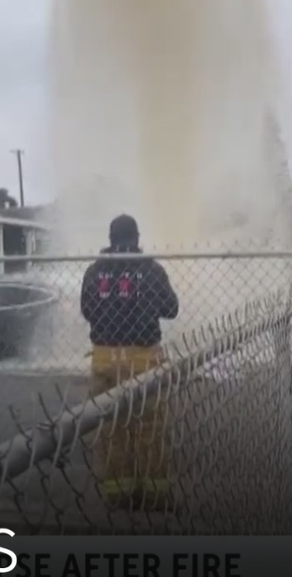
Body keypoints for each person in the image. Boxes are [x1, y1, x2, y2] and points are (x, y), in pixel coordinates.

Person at [79, 214, 179, 510]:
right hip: (143, 360)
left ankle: (117, 495)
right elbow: (171, 308)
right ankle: (154, 496)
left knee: (111, 430)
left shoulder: (95, 271)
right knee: (149, 429)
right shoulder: (150, 269)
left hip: (105, 360)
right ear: (136, 238)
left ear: (110, 239)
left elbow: (87, 310)